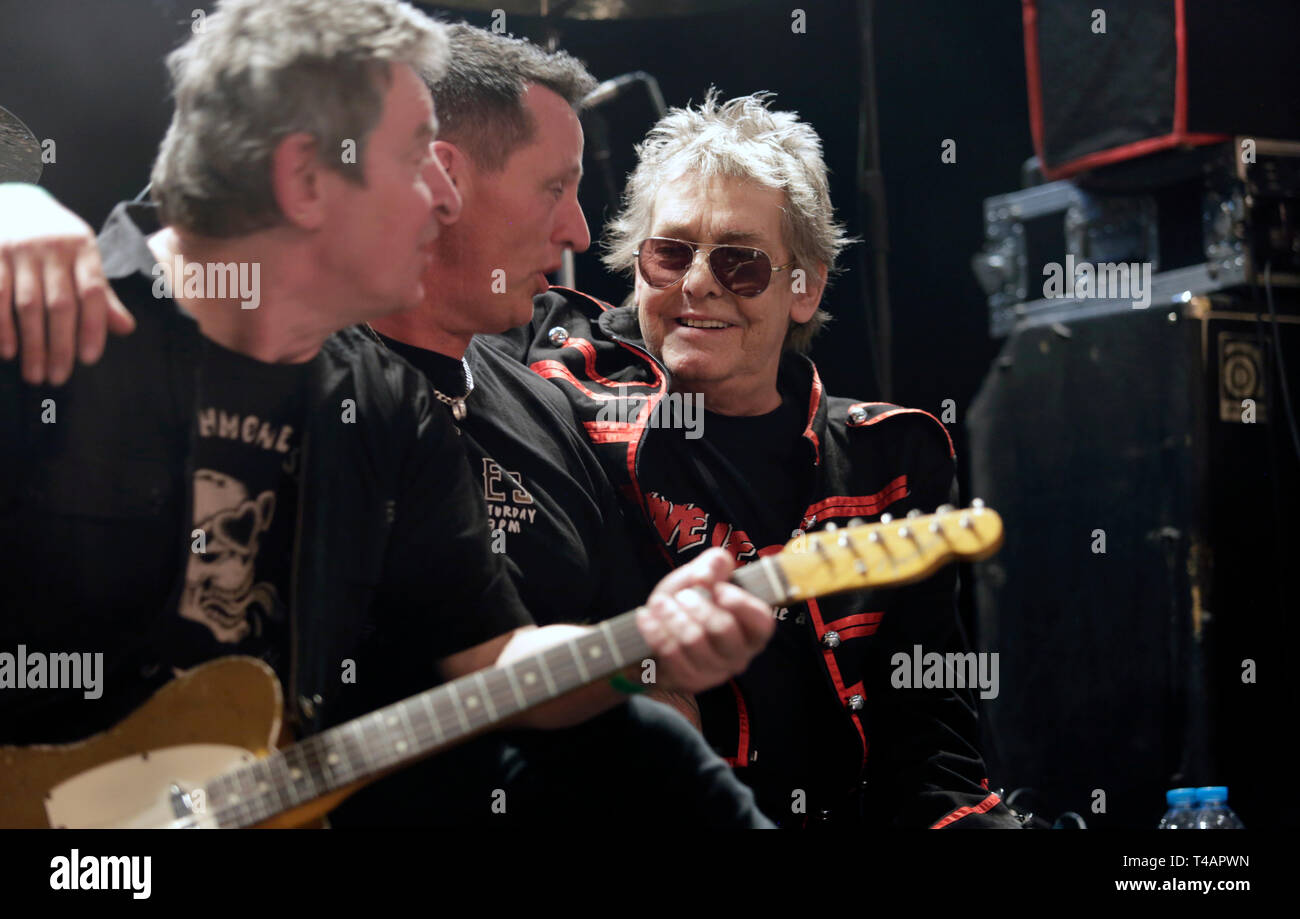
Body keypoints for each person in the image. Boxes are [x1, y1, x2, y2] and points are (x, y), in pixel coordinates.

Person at [0, 0, 775, 829]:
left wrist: (642, 645)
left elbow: (490, 656)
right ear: (303, 179)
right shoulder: (43, 323)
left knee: (634, 743)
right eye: (417, 159)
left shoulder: (382, 403)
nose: (446, 197)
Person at [506, 91, 1021, 828]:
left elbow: (927, 746)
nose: (697, 283)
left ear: (804, 286)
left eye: (741, 263)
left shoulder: (890, 459)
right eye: (670, 252)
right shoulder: (553, 373)